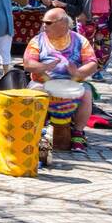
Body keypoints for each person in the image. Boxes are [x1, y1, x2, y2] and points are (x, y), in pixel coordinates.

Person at [23, 9, 97, 153]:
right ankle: (38, 130)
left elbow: (92, 63)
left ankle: (78, 133)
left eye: (48, 23)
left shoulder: (80, 40)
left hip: (72, 83)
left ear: (63, 23)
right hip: (43, 82)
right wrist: (44, 66)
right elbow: (27, 64)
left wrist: (78, 72)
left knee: (87, 92)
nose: (44, 25)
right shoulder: (37, 40)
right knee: (35, 92)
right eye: (43, 22)